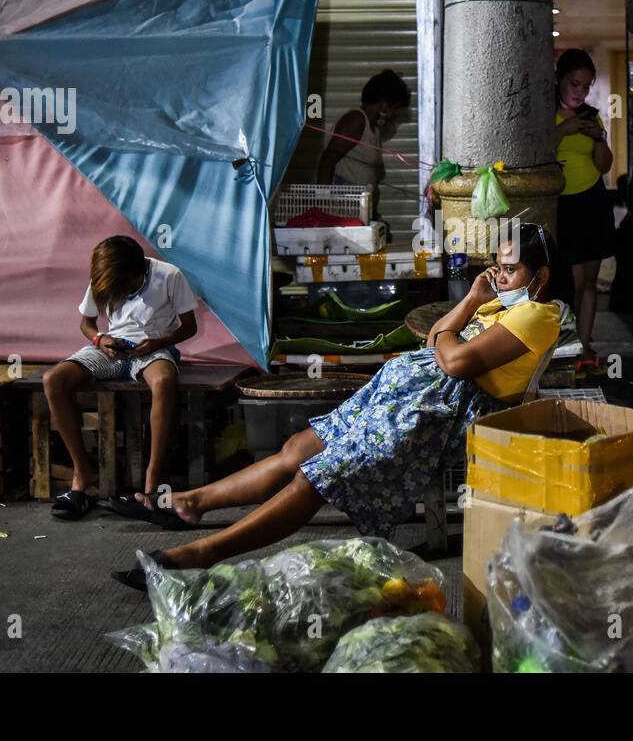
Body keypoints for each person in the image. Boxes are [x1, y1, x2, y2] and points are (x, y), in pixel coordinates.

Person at [112, 224, 562, 588]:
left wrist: (448, 339)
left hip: (435, 416)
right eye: (496, 269)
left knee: (316, 478)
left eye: (512, 270)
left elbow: (457, 361)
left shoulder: (537, 316)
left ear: (540, 277)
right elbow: (433, 339)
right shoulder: (494, 305)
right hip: (402, 396)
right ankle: (191, 502)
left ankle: (198, 555)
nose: (500, 278)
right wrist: (469, 300)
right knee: (298, 448)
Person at [42, 236, 198, 520]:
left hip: (154, 349)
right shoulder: (105, 276)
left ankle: (151, 482)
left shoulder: (169, 275)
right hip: (112, 349)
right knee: (53, 380)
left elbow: (190, 328)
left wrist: (158, 342)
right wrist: (100, 339)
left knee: (163, 382)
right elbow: (86, 324)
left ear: (136, 274)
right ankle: (83, 473)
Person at [552, 49, 615, 368]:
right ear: (559, 80)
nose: (580, 91)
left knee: (589, 282)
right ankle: (564, 345)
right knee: (569, 282)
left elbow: (604, 165)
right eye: (575, 83)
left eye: (587, 86)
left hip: (592, 200)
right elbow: (535, 146)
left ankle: (584, 346)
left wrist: (600, 138)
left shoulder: (591, 116)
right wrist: (565, 129)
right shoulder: (544, 114)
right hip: (562, 204)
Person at [315, 69, 411, 216]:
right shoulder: (356, 120)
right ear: (384, 105)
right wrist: (321, 206)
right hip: (340, 210)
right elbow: (327, 159)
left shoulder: (374, 128)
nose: (395, 116)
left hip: (356, 209)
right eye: (395, 109)